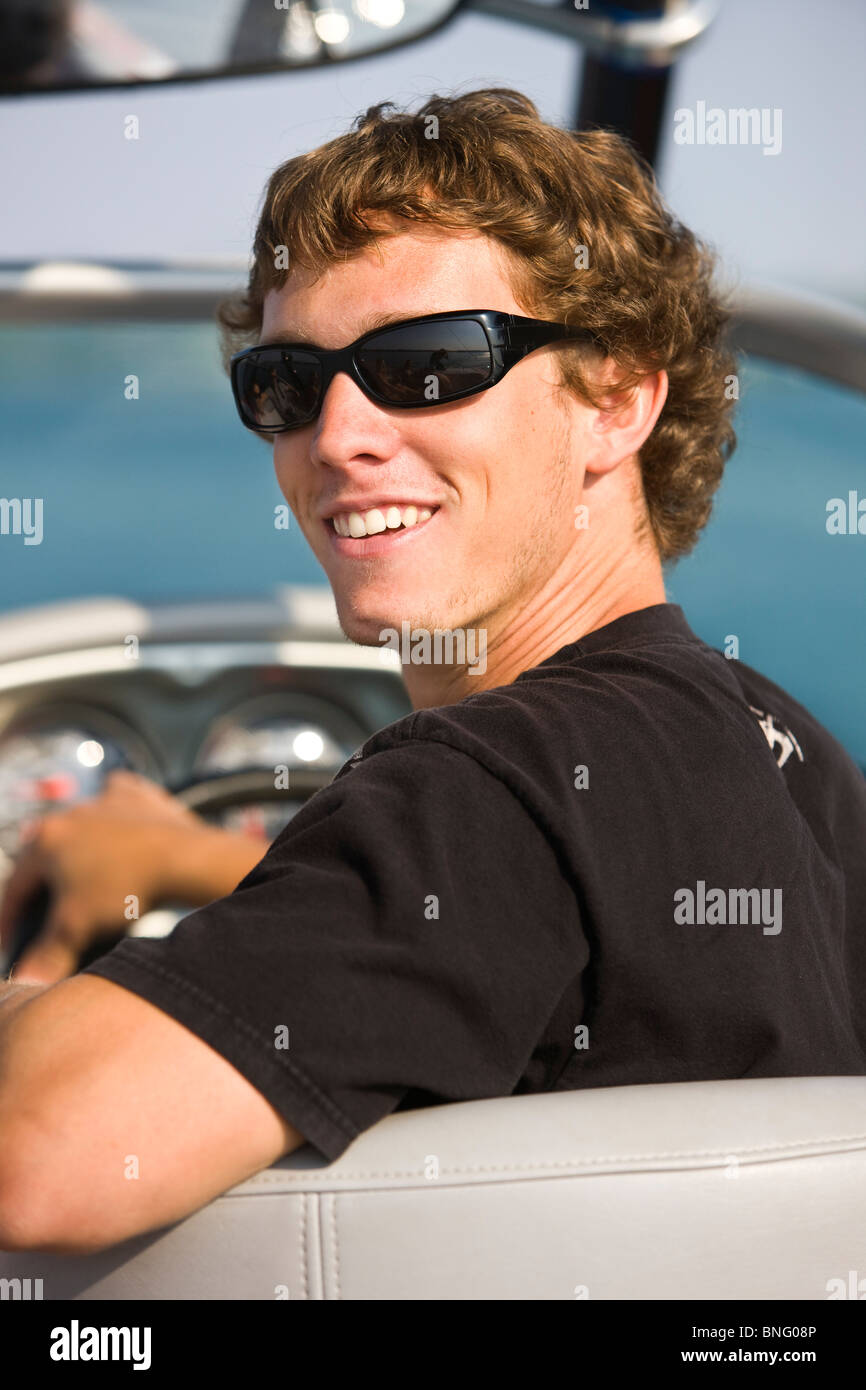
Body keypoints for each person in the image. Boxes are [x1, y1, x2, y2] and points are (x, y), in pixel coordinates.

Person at [1, 88, 864, 1255]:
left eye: (427, 365)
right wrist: (193, 864)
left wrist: (36, 998)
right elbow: (517, 915)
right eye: (286, 384)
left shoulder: (481, 786)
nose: (339, 435)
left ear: (615, 401)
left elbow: (38, 1156)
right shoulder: (789, 756)